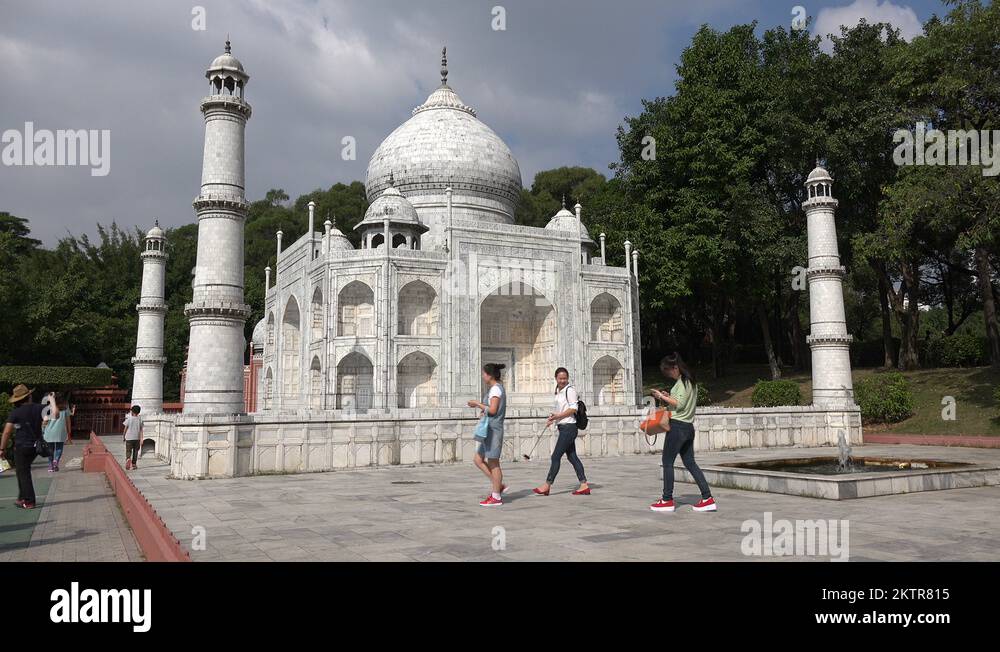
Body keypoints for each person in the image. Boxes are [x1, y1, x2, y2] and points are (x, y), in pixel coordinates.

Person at [649, 353, 716, 513]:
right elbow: (681, 402)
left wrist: (660, 396)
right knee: (690, 463)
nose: (668, 374)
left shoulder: (683, 382)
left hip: (678, 427)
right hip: (688, 427)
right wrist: (668, 396)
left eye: (668, 370)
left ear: (676, 368)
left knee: (667, 462)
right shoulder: (691, 382)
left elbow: (679, 404)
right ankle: (707, 498)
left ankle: (667, 499)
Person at [533, 367, 590, 496]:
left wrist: (557, 417)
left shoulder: (569, 391)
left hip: (569, 428)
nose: (563, 380)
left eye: (565, 378)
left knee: (555, 456)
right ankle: (584, 484)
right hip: (564, 426)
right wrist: (553, 419)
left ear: (567, 378)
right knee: (572, 456)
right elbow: (561, 410)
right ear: (556, 379)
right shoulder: (559, 391)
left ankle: (547, 485)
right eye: (560, 378)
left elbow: (573, 409)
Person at [0, 385, 55, 509]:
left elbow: (7, 432)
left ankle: (29, 501)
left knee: (23, 473)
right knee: (21, 471)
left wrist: (2, 449)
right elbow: (55, 413)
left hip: (21, 447)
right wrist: (52, 400)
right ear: (29, 396)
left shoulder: (15, 412)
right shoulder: (39, 408)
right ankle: (22, 497)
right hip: (35, 446)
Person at [467, 363, 507, 507]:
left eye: (484, 374)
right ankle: (498, 485)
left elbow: (493, 410)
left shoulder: (496, 389)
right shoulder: (494, 389)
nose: (483, 376)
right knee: (478, 459)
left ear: (489, 375)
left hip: (493, 430)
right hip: (488, 429)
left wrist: (477, 404)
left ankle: (496, 496)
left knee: (494, 463)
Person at [43, 392, 71, 472]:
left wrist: (42, 430)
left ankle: (50, 466)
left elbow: (44, 421)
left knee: (50, 449)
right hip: (60, 431)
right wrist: (69, 432)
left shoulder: (48, 407)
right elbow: (68, 420)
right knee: (59, 447)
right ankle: (56, 461)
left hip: (49, 431)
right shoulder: (65, 407)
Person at [122, 405, 143, 470]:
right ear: (139, 412)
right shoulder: (140, 420)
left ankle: (128, 459)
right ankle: (134, 464)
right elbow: (141, 430)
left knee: (128, 450)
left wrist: (123, 436)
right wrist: (141, 439)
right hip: (137, 438)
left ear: (132, 411)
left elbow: (125, 428)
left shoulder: (129, 419)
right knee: (136, 451)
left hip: (129, 438)